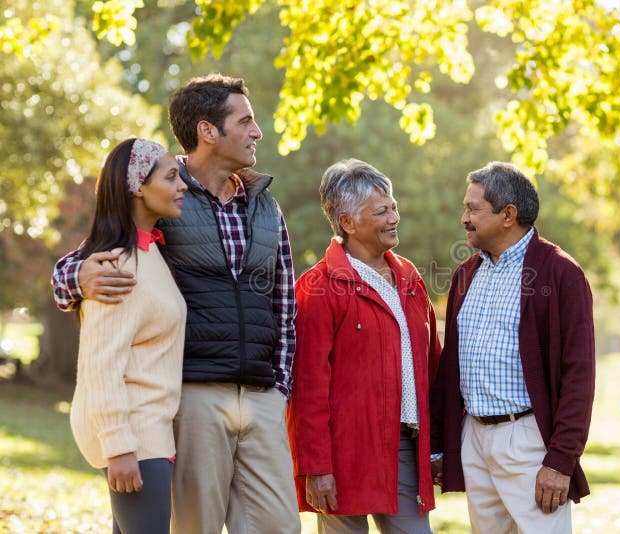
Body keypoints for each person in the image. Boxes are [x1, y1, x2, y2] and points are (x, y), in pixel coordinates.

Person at [52, 74, 300, 534]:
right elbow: (90, 258)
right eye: (245, 121)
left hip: (263, 397)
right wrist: (79, 276)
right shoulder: (163, 192)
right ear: (209, 131)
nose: (256, 132)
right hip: (193, 398)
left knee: (280, 526)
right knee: (194, 527)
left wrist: (280, 384)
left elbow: (285, 304)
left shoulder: (266, 207)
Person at [429, 162, 595, 533]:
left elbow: (579, 376)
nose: (464, 218)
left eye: (473, 209)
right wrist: (438, 444)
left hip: (528, 442)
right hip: (474, 438)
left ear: (508, 215)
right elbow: (450, 369)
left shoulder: (561, 274)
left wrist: (560, 460)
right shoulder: (465, 275)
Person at [287, 159, 441, 533]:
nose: (393, 217)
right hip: (342, 455)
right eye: (381, 211)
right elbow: (307, 386)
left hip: (404, 448)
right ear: (348, 222)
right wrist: (316, 467)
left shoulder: (410, 278)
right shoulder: (318, 287)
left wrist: (435, 447)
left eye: (393, 207)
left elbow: (432, 367)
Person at [70, 138, 187, 534]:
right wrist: (119, 446)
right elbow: (102, 363)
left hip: (154, 433)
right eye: (171, 177)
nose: (182, 185)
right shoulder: (116, 265)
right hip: (136, 440)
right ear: (137, 186)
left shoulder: (151, 254)